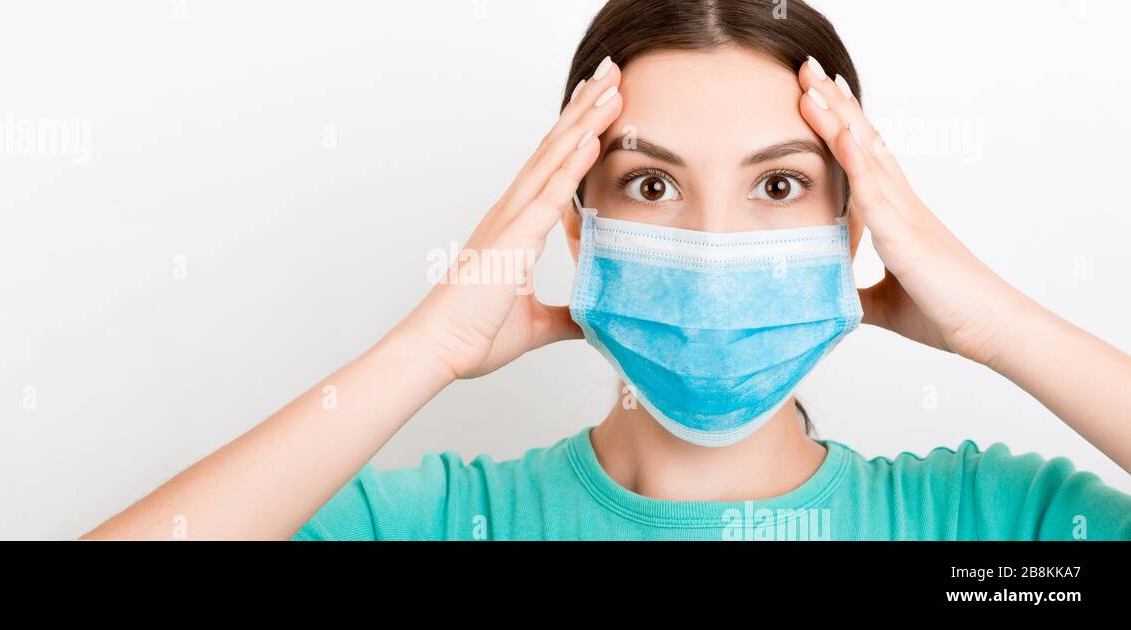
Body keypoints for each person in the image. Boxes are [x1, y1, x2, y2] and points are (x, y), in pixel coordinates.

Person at [82, 0, 1131, 541]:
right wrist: (424, 351)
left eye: (777, 187)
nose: (715, 244)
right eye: (651, 186)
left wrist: (999, 325)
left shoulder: (994, 533)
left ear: (854, 231)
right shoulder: (446, 524)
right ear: (576, 232)